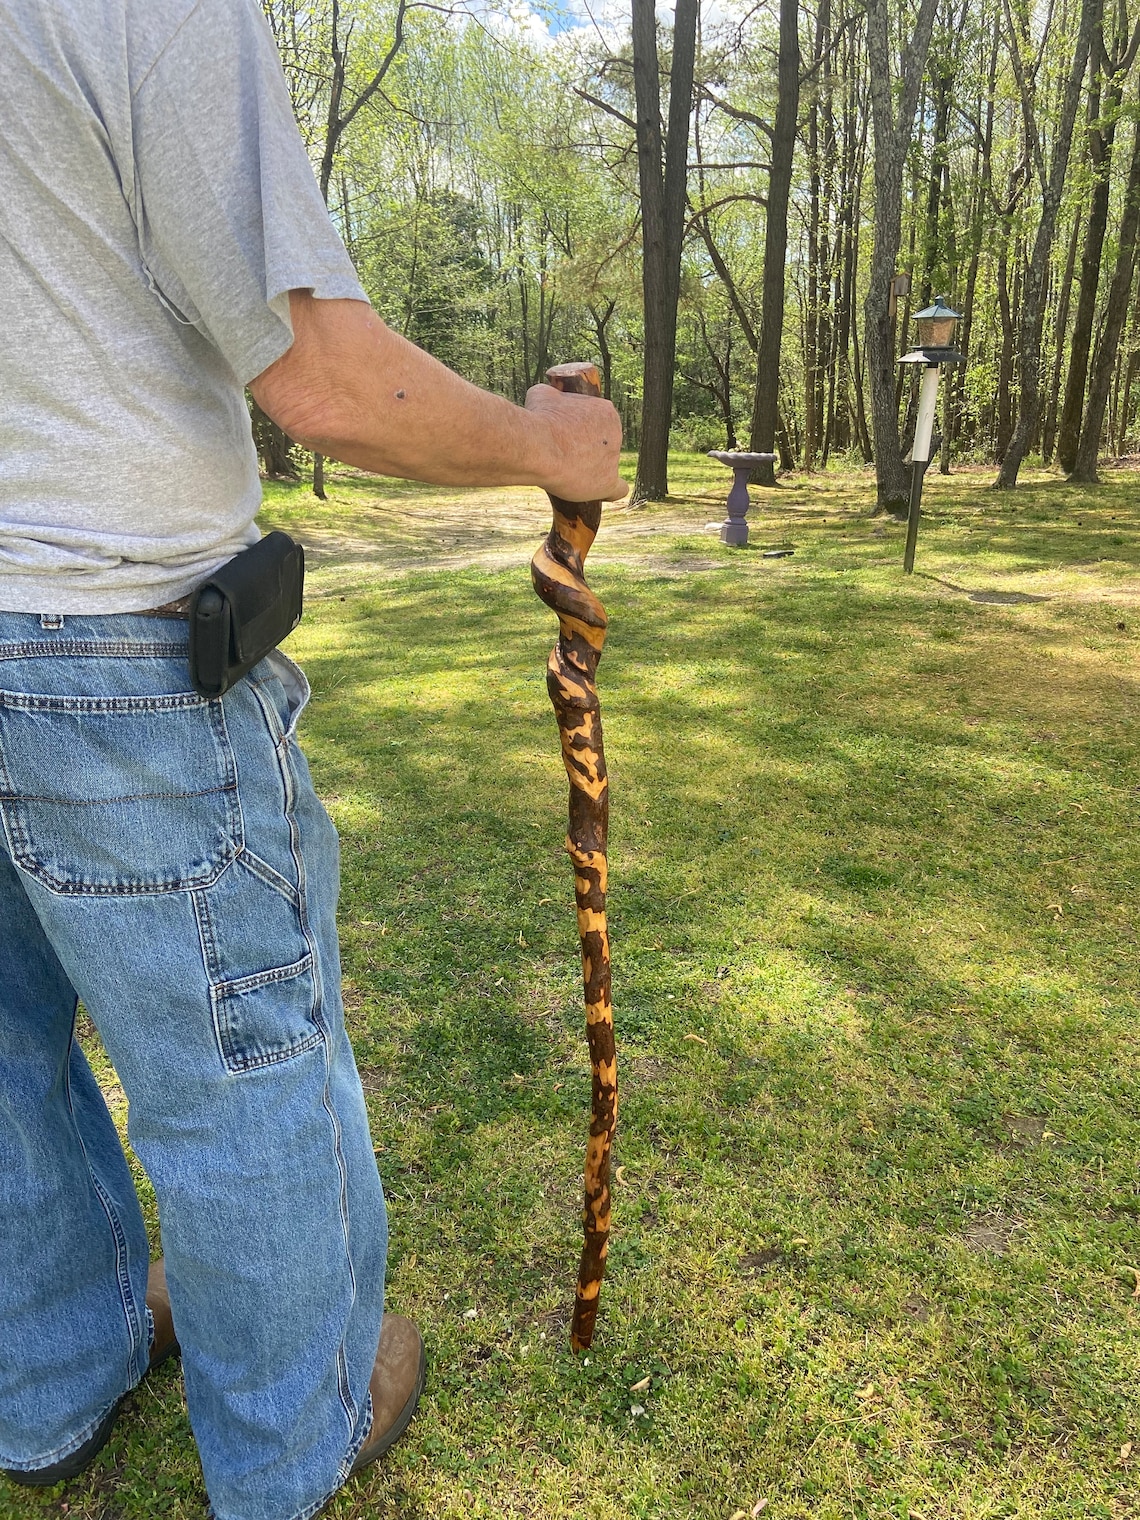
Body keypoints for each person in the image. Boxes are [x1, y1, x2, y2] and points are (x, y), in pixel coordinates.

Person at [0, 2, 625, 1518]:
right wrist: (552, 449)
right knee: (245, 1072)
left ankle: (48, 1384)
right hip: (107, 640)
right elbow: (322, 381)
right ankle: (297, 1433)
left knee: (8, 1055)